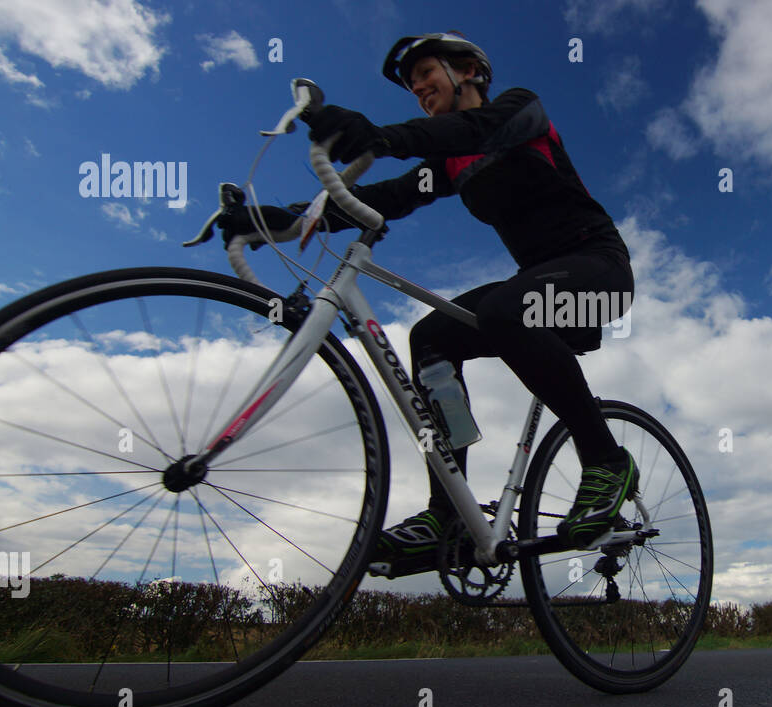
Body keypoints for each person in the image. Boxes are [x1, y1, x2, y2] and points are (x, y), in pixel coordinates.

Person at [221, 32, 637, 575]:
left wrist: (380, 135)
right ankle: (450, 516)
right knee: (431, 338)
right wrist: (278, 219)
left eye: (425, 74)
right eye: (412, 83)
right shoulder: (449, 164)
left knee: (504, 310)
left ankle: (606, 461)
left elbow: (476, 129)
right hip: (536, 284)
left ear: (467, 70)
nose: (418, 88)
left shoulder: (519, 111)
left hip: (600, 271)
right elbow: (386, 197)